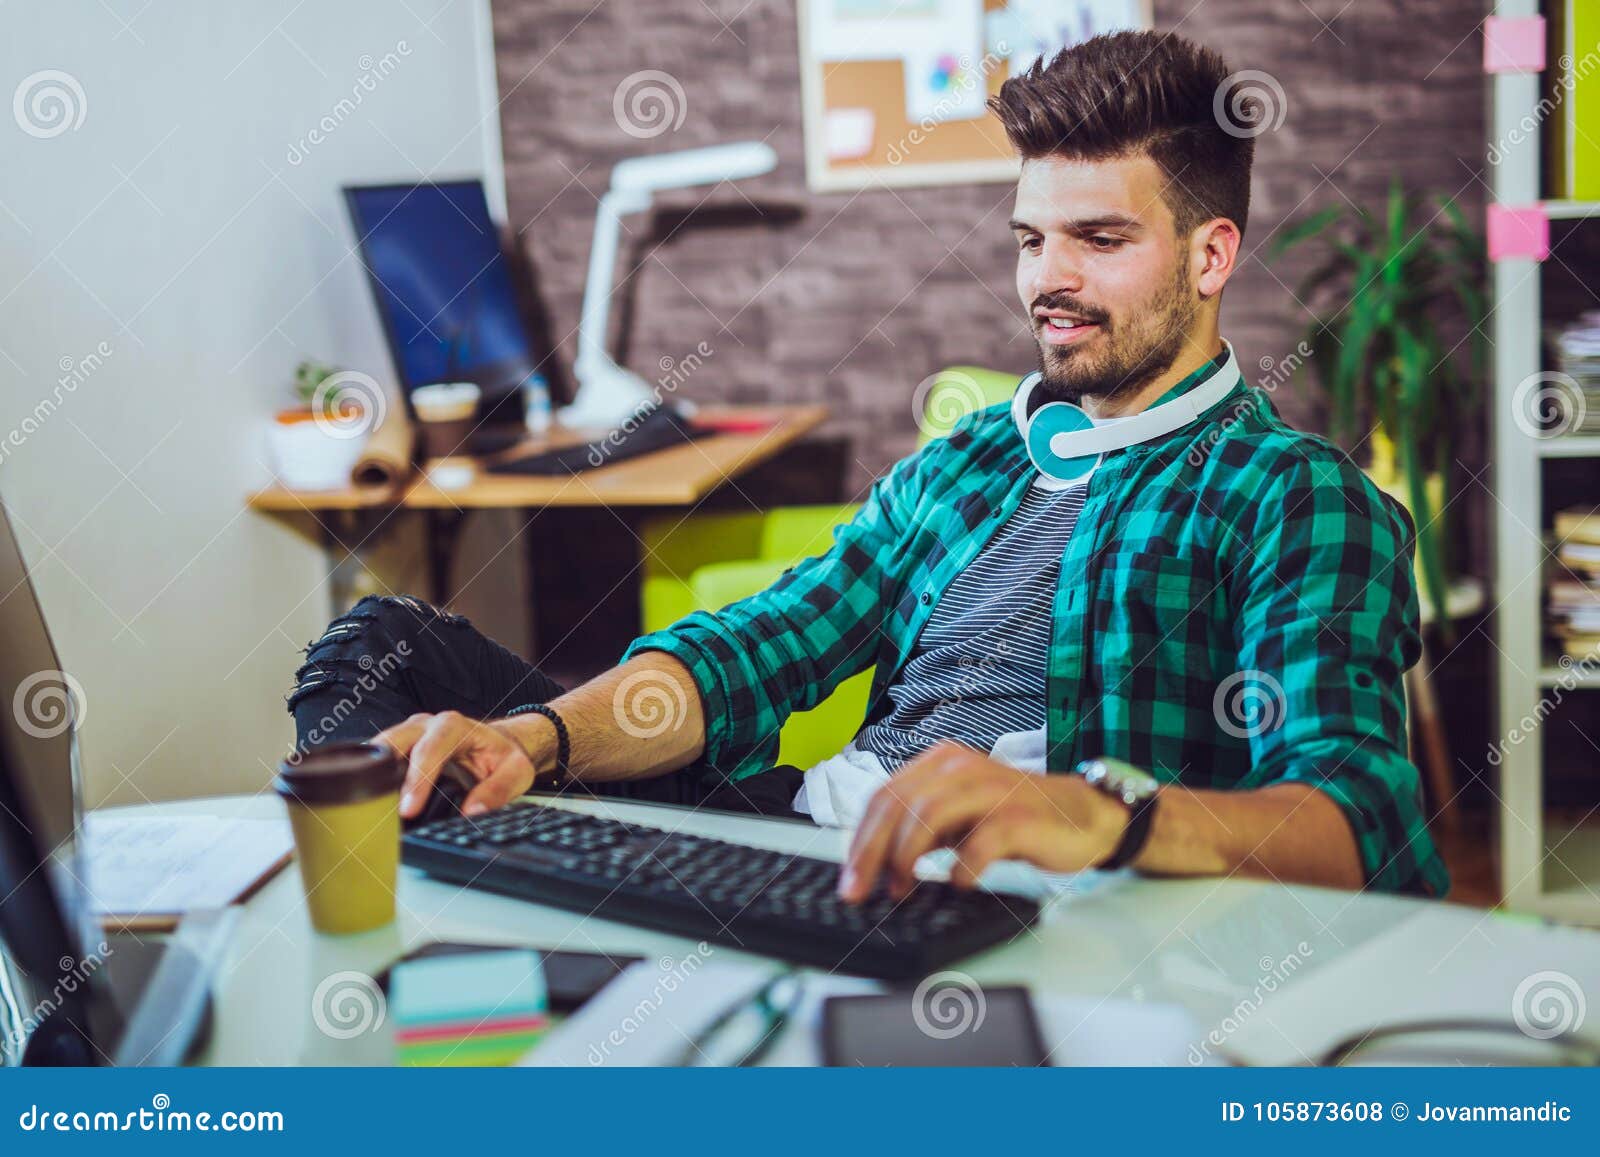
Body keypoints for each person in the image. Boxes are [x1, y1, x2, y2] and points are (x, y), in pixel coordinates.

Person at [288, 29, 1448, 902]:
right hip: (797, 829)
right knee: (380, 647)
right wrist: (533, 740)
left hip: (975, 888)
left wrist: (1101, 812)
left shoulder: (1294, 499)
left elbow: (1361, 818)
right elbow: (755, 648)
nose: (1049, 278)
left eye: (1099, 240)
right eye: (1032, 239)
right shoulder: (965, 467)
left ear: (1209, 255)